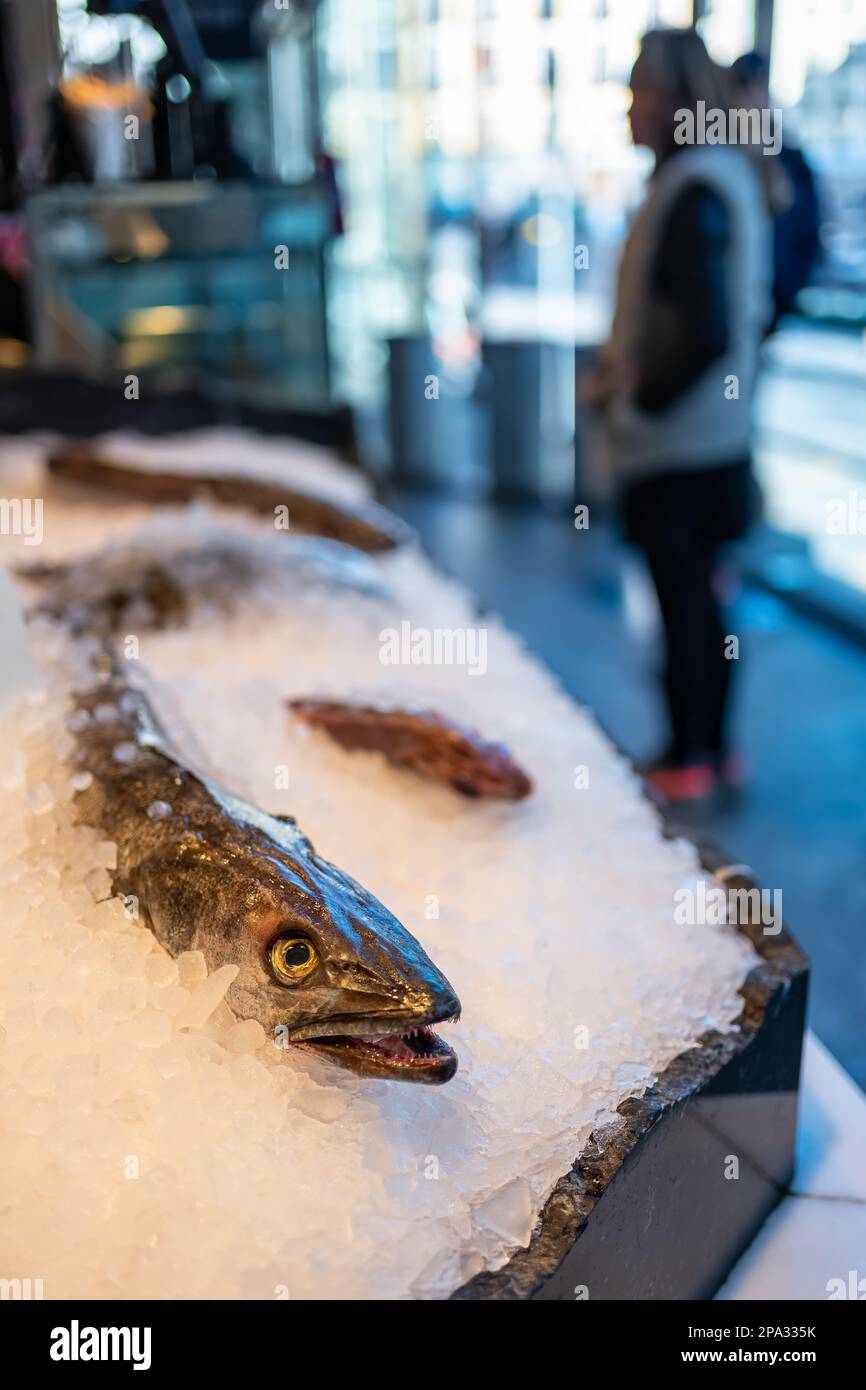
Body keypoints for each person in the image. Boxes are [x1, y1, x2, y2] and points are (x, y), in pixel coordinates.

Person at [584, 28, 775, 804]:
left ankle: (690, 755)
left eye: (640, 91)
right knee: (704, 598)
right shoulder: (717, 177)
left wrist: (632, 396)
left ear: (675, 99)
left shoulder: (693, 185)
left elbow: (704, 328)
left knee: (686, 603)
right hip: (713, 441)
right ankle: (713, 751)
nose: (630, 107)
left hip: (683, 446)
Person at [731, 50, 821, 330]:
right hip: (734, 301)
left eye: (757, 89)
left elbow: (809, 234)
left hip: (770, 303)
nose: (750, 102)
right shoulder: (723, 156)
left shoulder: (790, 159)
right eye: (743, 90)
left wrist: (784, 296)